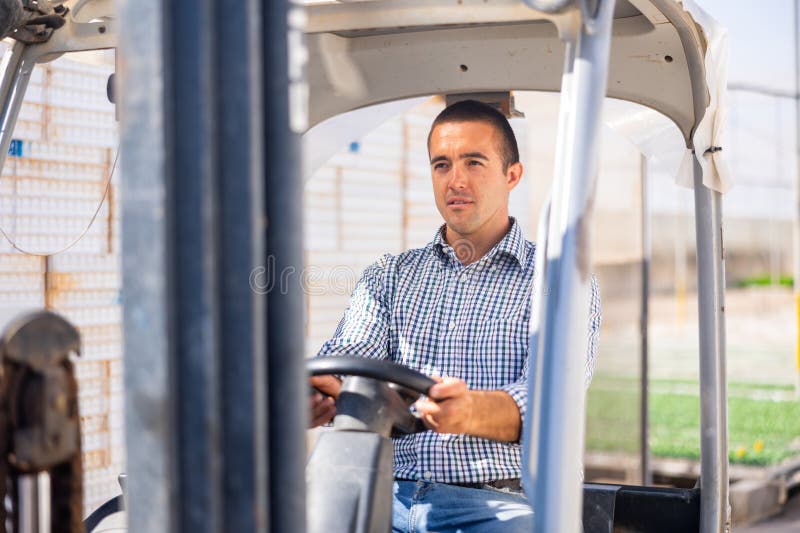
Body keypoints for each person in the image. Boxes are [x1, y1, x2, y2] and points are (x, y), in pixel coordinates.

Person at [309, 99, 601, 533]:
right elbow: (348, 359)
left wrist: (469, 411)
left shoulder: (560, 282)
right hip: (387, 493)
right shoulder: (389, 276)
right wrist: (318, 395)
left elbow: (551, 404)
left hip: (500, 502)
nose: (456, 180)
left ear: (512, 175)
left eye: (474, 162)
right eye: (442, 165)